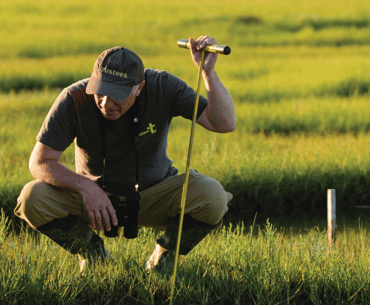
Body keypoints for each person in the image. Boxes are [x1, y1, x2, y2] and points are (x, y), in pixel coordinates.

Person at [14, 37, 236, 275]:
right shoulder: (74, 97)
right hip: (95, 198)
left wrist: (208, 73)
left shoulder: (162, 86)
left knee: (213, 196)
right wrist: (87, 188)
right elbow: (39, 162)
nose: (106, 103)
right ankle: (93, 257)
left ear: (139, 87)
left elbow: (222, 123)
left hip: (154, 192)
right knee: (32, 198)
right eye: (100, 91)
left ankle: (162, 261)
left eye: (117, 94)